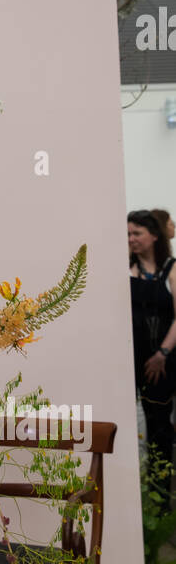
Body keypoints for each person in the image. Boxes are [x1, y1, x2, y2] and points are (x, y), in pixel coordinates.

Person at [128, 210, 176, 492]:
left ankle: (160, 496)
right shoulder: (125, 268)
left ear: (154, 236)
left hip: (162, 362)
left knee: (159, 427)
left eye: (137, 234)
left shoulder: (171, 269)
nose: (131, 239)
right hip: (131, 361)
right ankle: (135, 493)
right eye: (128, 234)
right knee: (133, 423)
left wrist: (162, 353)